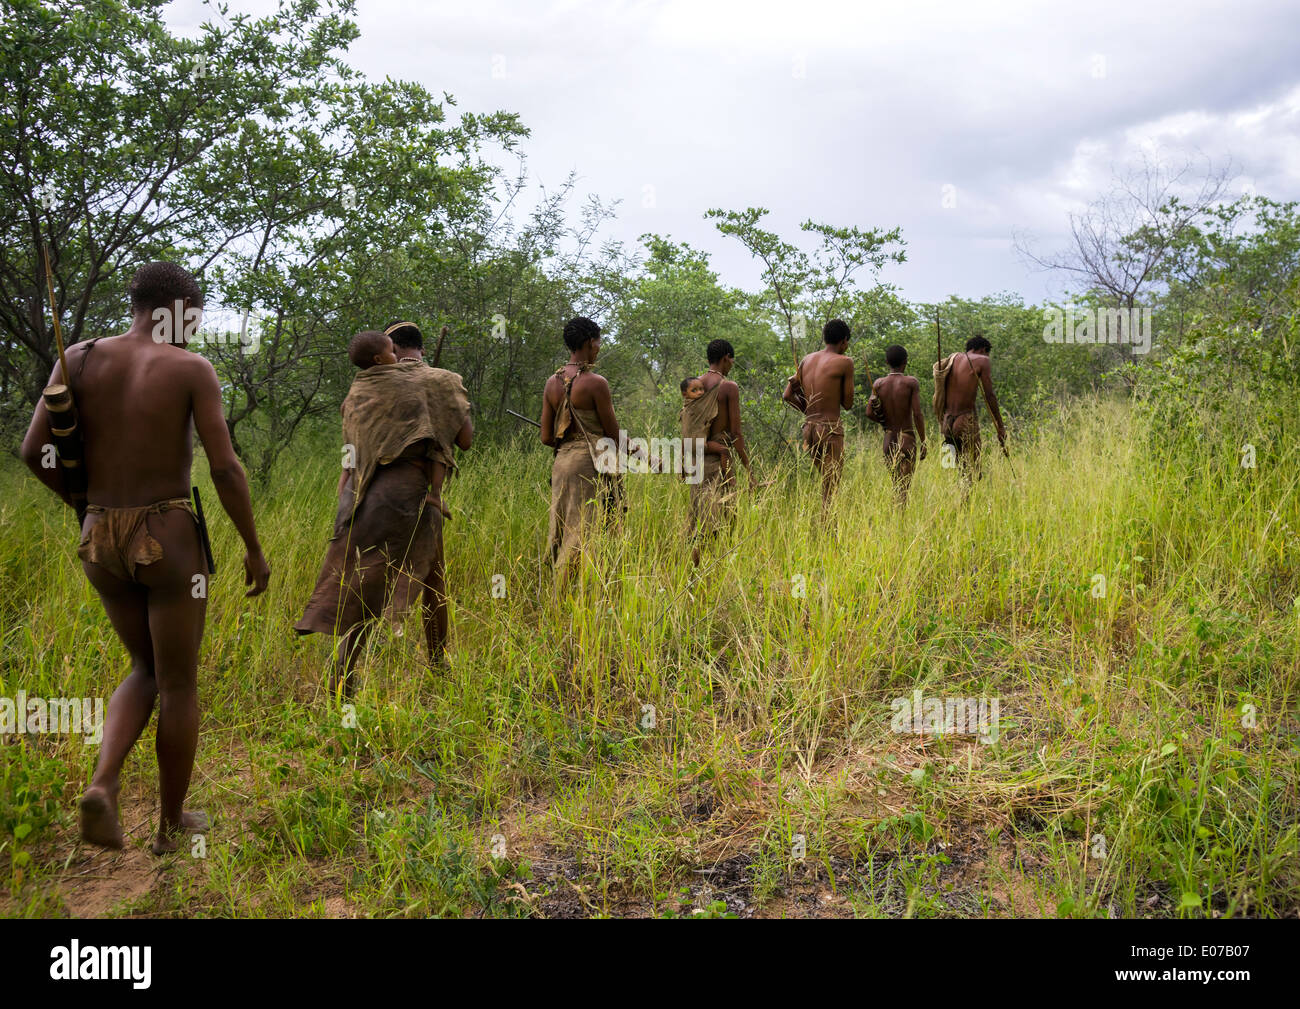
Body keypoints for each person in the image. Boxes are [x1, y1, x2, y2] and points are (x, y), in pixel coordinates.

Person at [20, 261, 270, 854]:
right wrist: (253, 547)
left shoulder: (76, 358)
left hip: (99, 535)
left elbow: (35, 452)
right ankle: (168, 827)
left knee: (143, 669)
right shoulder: (189, 369)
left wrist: (83, 504)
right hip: (168, 535)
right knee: (178, 683)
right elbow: (225, 468)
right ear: (178, 309)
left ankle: (103, 785)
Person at [295, 331, 472, 696]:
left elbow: (349, 454)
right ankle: (433, 667)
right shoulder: (437, 380)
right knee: (427, 582)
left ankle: (345, 675)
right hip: (408, 495)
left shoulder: (361, 389)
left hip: (359, 493)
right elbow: (465, 440)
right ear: (418, 348)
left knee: (363, 579)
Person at [539, 316, 625, 576]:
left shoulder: (551, 383)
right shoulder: (596, 383)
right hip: (588, 465)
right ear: (589, 342)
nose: (599, 348)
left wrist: (567, 434)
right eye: (598, 342)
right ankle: (569, 600)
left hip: (561, 464)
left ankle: (560, 600)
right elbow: (613, 435)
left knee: (562, 530)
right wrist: (647, 457)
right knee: (581, 534)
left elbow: (546, 438)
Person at [680, 339, 754, 564]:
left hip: (695, 460)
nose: (731, 364)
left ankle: (699, 574)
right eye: (731, 360)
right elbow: (736, 434)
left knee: (699, 519)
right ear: (725, 359)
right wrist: (749, 470)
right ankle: (698, 574)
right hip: (716, 463)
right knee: (716, 525)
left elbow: (688, 428)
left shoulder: (694, 386)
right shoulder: (728, 387)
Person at [783, 319, 854, 505]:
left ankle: (826, 531)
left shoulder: (807, 359)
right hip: (830, 429)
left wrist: (809, 411)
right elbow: (848, 404)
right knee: (830, 490)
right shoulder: (845, 362)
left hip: (809, 429)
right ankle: (829, 532)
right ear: (844, 341)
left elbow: (787, 395)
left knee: (826, 482)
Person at [933, 333, 1007, 496]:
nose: (987, 357)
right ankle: (965, 509)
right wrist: (1000, 427)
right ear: (982, 350)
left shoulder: (953, 359)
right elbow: (989, 395)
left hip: (946, 423)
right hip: (964, 420)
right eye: (987, 353)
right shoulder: (982, 360)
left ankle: (958, 505)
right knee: (975, 471)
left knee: (957, 469)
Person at [868, 344, 926, 505]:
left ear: (887, 362)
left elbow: (868, 413)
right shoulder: (911, 383)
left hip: (889, 439)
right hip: (906, 439)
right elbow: (917, 414)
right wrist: (923, 440)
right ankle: (900, 522)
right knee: (904, 489)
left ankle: (896, 520)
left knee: (896, 485)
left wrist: (884, 421)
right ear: (905, 362)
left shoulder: (879, 384)